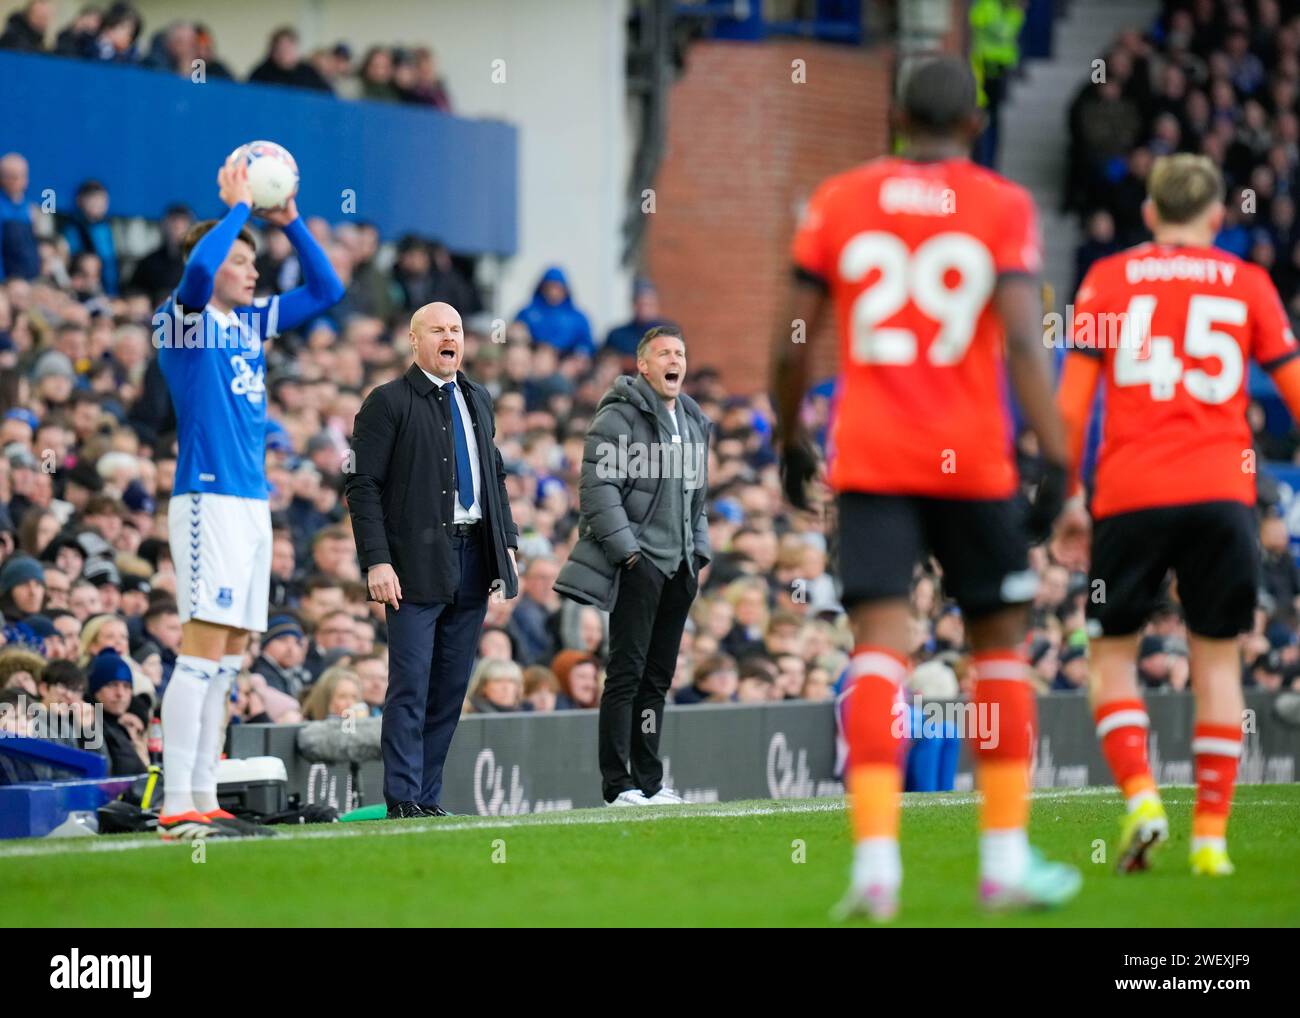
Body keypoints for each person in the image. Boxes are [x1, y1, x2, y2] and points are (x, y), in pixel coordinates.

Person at [772, 55, 1077, 920]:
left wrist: (791, 435)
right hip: (972, 457)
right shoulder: (1001, 204)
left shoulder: (839, 198)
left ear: (896, 118)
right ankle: (1005, 862)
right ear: (976, 124)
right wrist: (1056, 461)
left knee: (876, 644)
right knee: (1000, 648)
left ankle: (875, 871)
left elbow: (795, 341)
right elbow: (1023, 342)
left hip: (870, 456)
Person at [1056, 153, 1300, 878]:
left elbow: (1072, 407)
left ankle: (1143, 798)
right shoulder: (1251, 283)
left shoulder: (1107, 278)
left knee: (1110, 658)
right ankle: (1211, 843)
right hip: (1224, 490)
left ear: (1151, 213)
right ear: (1218, 217)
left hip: (1130, 492)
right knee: (1218, 663)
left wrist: (1070, 496)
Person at [153, 157, 342, 840]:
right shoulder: (182, 318)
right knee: (201, 653)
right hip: (207, 498)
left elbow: (327, 287)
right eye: (242, 261)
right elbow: (198, 276)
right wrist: (236, 209)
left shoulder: (252, 322)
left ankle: (204, 797)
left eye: (253, 263)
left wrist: (289, 222)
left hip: (251, 502)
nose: (253, 272)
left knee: (228, 658)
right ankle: (176, 803)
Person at [346, 301, 519, 819]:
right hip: (413, 564)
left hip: (473, 557)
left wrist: (506, 540)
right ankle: (401, 798)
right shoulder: (387, 402)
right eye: (439, 330)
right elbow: (362, 486)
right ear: (414, 341)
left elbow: (494, 475)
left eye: (457, 330)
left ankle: (427, 796)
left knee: (449, 688)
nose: (451, 337)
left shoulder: (478, 397)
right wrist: (377, 561)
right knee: (411, 683)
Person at [554, 325, 712, 806]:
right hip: (639, 564)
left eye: (680, 353)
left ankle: (650, 780)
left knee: (658, 678)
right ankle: (617, 783)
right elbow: (599, 493)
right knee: (626, 673)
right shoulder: (618, 417)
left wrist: (698, 553)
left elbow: (698, 498)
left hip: (680, 569)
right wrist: (630, 555)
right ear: (642, 365)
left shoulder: (693, 417)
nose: (675, 361)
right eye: (664, 353)